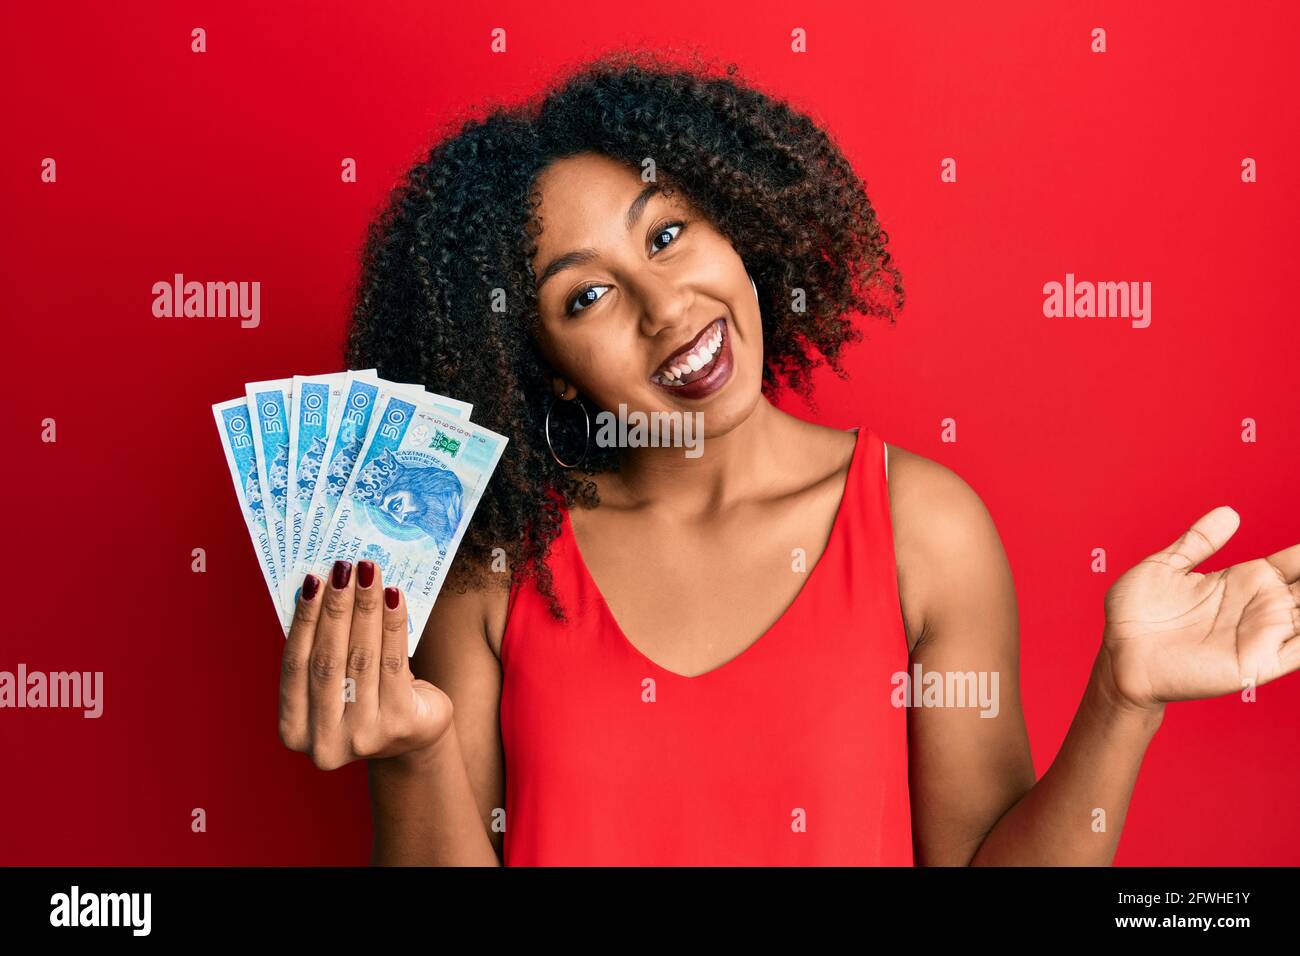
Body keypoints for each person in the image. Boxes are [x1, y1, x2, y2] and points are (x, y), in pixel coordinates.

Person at [275, 50, 1300, 866]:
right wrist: (410, 757)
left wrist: (1122, 701)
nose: (666, 305)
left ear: (740, 226)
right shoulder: (498, 569)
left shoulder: (921, 528)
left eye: (669, 233)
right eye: (585, 297)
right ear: (541, 370)